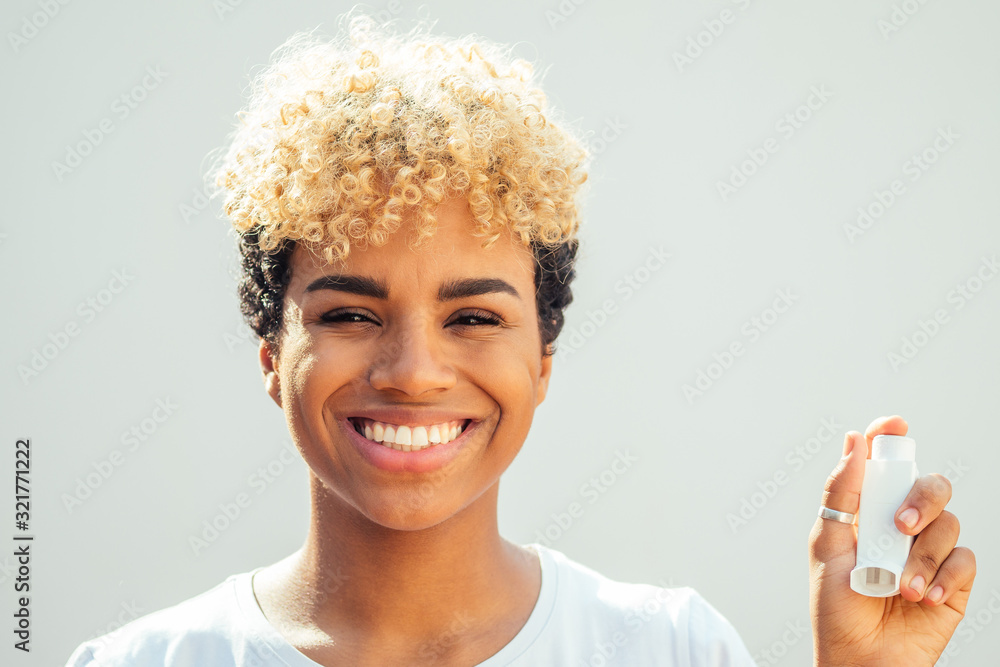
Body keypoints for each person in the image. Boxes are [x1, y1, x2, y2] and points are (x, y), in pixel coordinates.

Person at [65, 12, 975, 667]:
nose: (414, 372)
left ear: (543, 359)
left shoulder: (671, 649)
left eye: (473, 317)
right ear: (271, 353)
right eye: (349, 312)